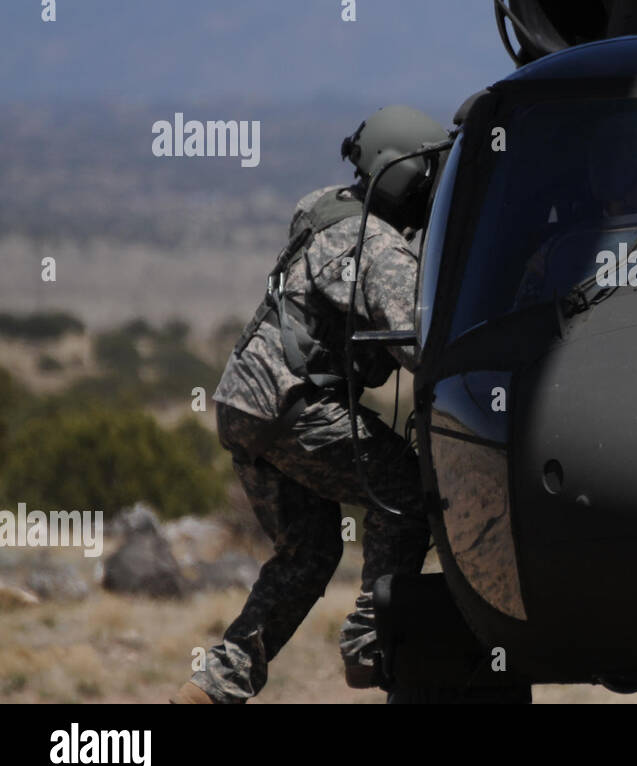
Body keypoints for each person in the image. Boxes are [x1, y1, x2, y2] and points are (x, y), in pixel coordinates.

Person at [171, 105, 449, 704]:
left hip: (246, 406)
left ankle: (215, 685)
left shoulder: (322, 211)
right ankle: (375, 642)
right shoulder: (378, 246)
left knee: (310, 551)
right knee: (404, 488)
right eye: (429, 177)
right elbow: (420, 347)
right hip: (292, 405)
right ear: (406, 178)